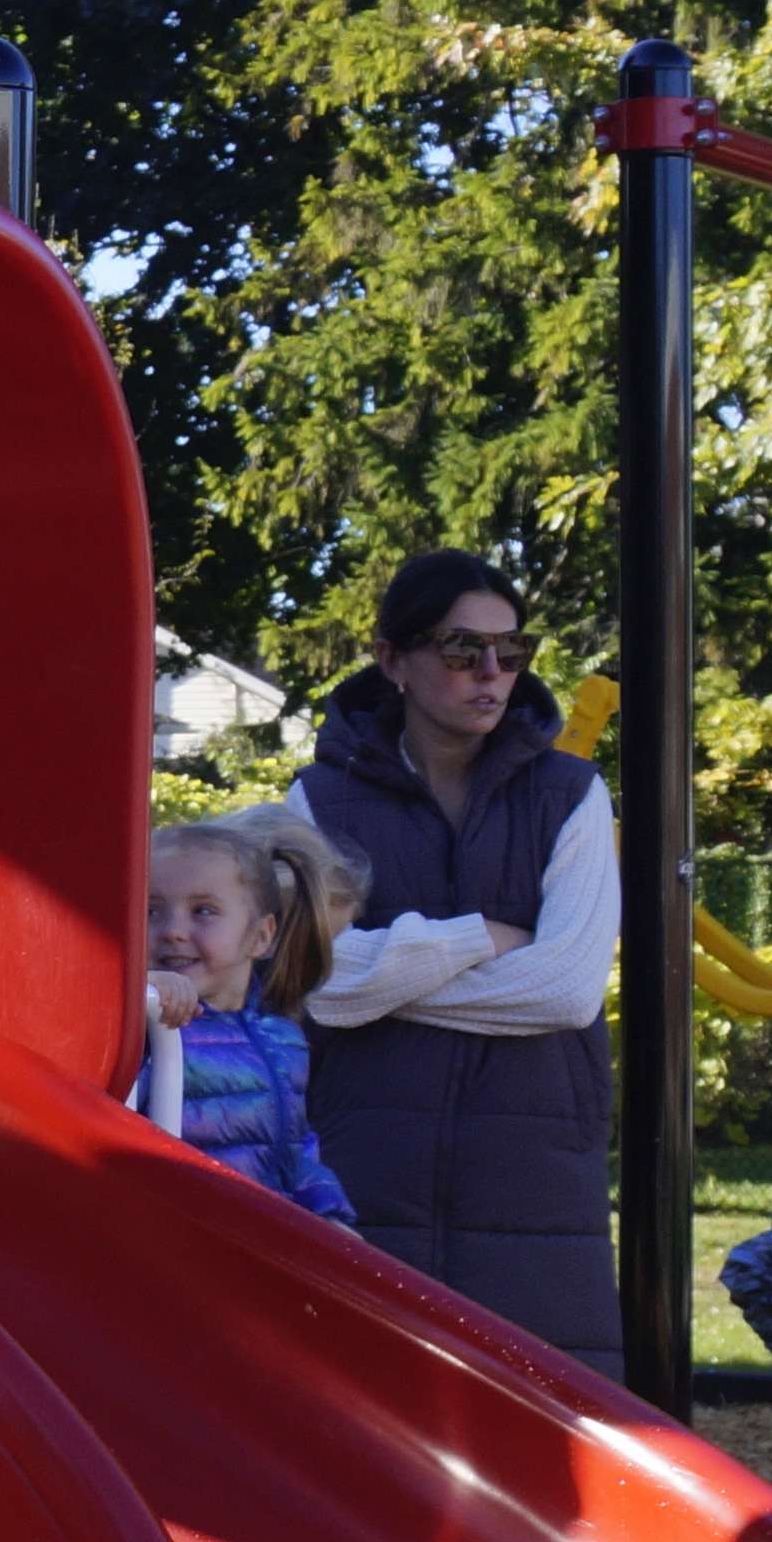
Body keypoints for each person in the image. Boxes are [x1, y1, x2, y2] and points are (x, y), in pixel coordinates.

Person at [292, 549, 626, 1373]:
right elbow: (315, 983)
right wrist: (478, 936)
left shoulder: (573, 796)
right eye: (460, 648)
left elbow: (564, 990)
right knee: (365, 1430)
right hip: (363, 1164)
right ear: (391, 659)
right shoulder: (317, 802)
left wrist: (382, 978)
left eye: (512, 653)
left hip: (535, 1183)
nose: (491, 672)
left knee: (546, 1455)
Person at [141, 804, 363, 1223]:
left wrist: (330, 1216)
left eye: (203, 910)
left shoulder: (283, 1038)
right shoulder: (141, 1025)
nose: (172, 929)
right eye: (151, 910)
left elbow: (295, 1152)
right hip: (173, 1239)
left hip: (250, 1246)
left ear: (260, 936)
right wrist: (141, 995)